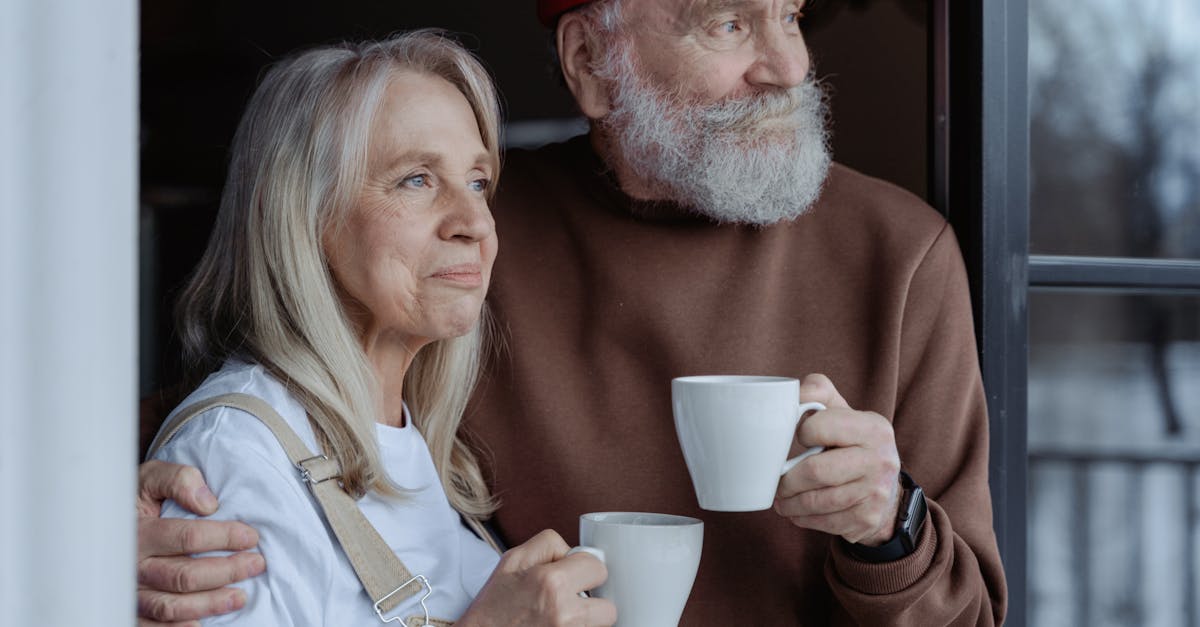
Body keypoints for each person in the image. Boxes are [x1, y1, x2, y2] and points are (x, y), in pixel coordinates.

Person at [138, 1, 1009, 624]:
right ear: (591, 60)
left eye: (789, 14)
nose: (787, 65)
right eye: (729, 23)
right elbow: (261, 409)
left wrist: (888, 529)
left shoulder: (901, 254)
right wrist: (99, 522)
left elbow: (969, 615)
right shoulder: (466, 250)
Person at [140, 30, 616, 626]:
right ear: (304, 213)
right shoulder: (232, 458)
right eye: (416, 179)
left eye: (477, 182)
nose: (475, 221)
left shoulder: (417, 447)